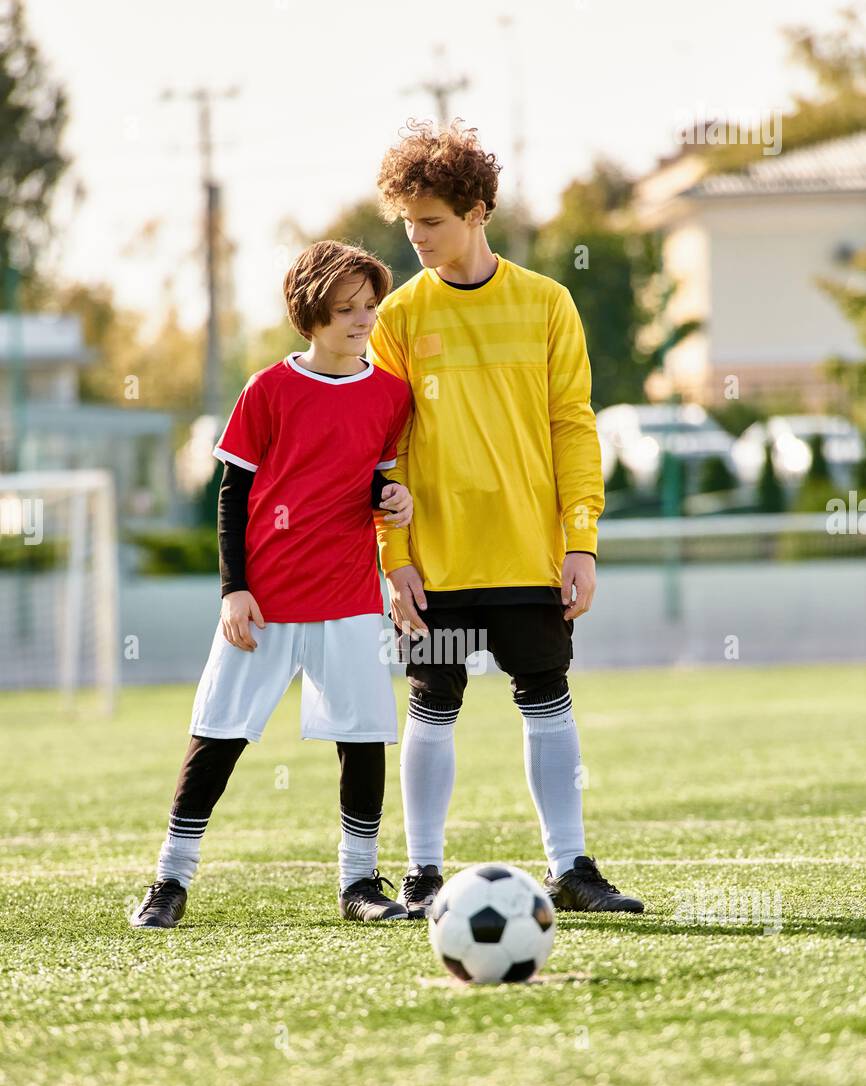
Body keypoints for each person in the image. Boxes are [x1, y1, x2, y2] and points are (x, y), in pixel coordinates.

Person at [368, 119, 644, 917]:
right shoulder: (397, 319)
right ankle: (422, 875)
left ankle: (572, 867)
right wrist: (396, 557)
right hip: (436, 564)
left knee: (547, 698)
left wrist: (581, 542)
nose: (417, 237)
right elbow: (381, 452)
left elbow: (573, 426)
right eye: (408, 223)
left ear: (478, 211)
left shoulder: (548, 304)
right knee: (432, 704)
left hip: (531, 554)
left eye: (432, 221)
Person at [131, 240, 415, 927]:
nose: (362, 320)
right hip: (267, 600)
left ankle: (360, 885)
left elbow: (368, 477)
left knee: (365, 734)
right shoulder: (268, 390)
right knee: (218, 732)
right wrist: (234, 589)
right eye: (346, 308)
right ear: (312, 316)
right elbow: (235, 494)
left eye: (370, 306)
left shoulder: (390, 394)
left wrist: (391, 496)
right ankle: (169, 882)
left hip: (349, 597)